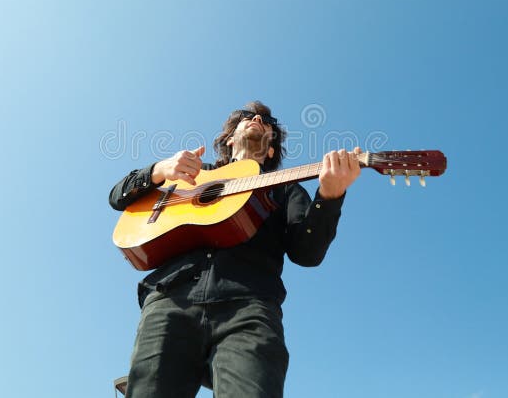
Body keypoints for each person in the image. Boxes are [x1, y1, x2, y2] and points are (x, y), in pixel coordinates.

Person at [109, 101, 361, 398]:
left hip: (250, 307)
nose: (257, 119)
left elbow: (307, 253)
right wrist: (160, 169)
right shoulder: (192, 175)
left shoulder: (285, 189)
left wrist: (330, 197)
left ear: (270, 150)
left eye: (267, 122)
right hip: (171, 299)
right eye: (248, 117)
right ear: (230, 139)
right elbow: (118, 196)